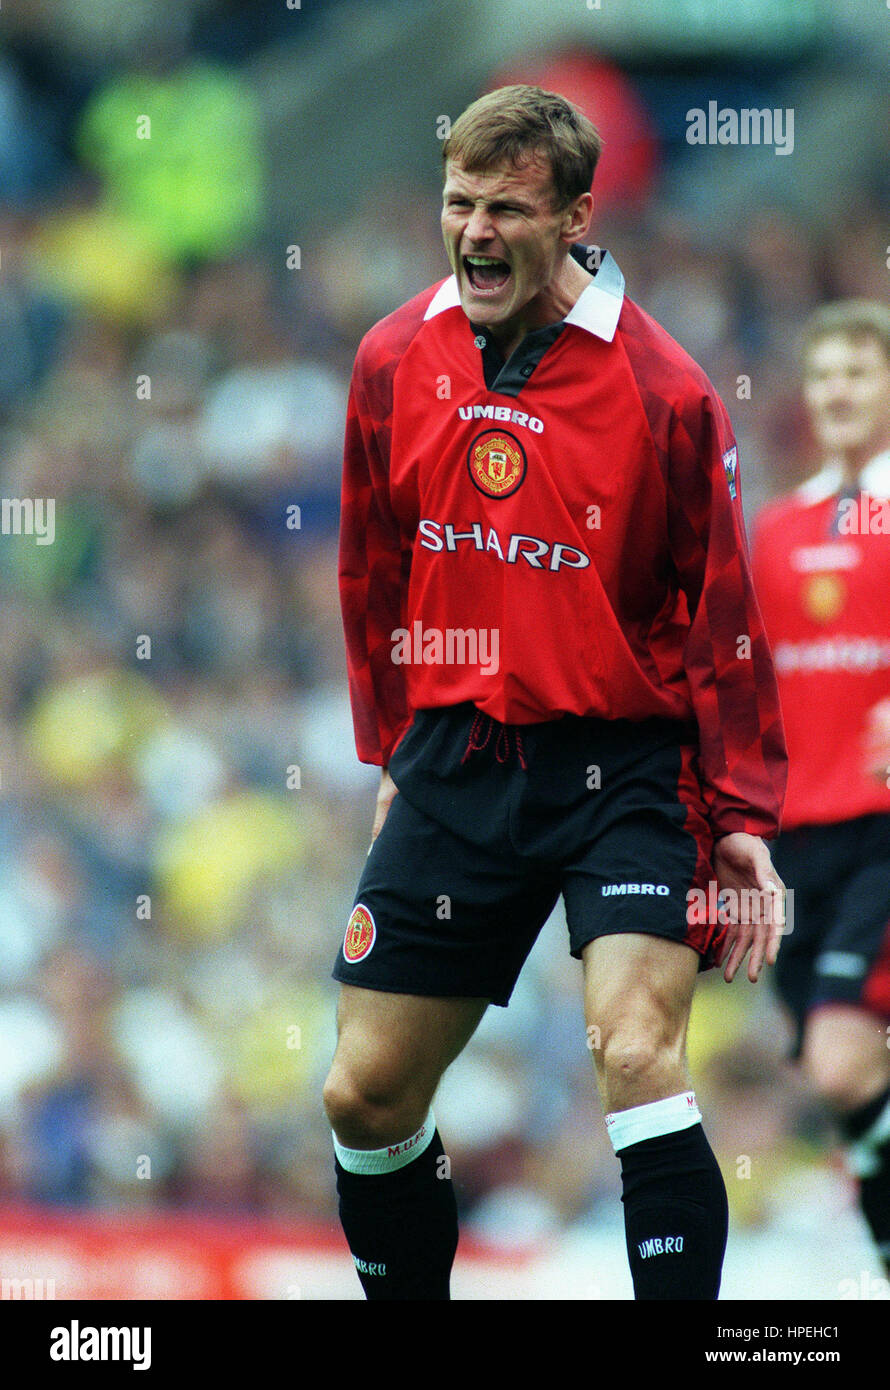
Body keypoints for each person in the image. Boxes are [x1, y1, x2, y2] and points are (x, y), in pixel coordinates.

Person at [324, 84, 787, 1301]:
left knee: (634, 1051)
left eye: (506, 210)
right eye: (457, 203)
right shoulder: (390, 358)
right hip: (454, 761)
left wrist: (738, 817)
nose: (474, 231)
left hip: (623, 771)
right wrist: (387, 758)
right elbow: (371, 572)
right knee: (362, 1092)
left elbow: (721, 615)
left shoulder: (665, 389)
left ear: (577, 215)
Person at [752, 300, 890, 1278]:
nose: (838, 390)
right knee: (841, 1081)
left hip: (880, 830)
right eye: (824, 374)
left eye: (858, 371)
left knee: (844, 1061)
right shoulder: (773, 529)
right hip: (787, 843)